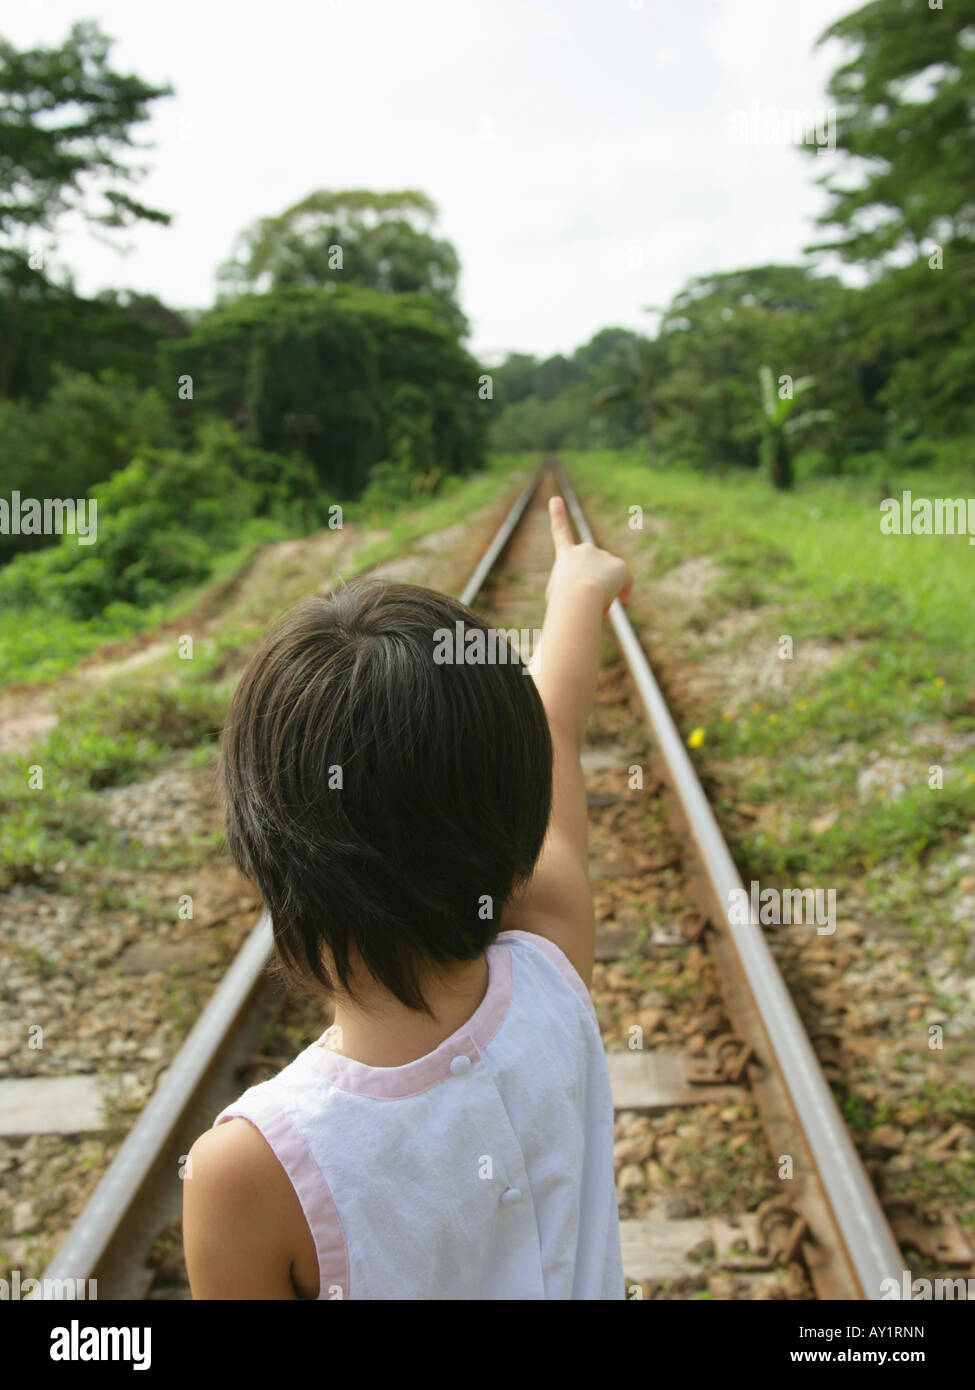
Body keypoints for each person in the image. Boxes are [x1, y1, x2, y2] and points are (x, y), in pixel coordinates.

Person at [182, 493, 633, 1299]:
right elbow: (555, 726)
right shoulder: (552, 971)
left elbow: (548, 734)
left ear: (263, 848)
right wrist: (576, 591)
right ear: (518, 826)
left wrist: (573, 591)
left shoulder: (249, 1167)